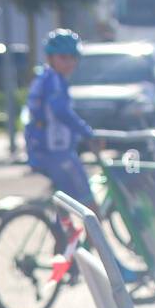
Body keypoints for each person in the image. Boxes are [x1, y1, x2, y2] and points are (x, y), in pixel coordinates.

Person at [24, 28, 95, 211]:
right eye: (63, 57)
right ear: (50, 58)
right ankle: (94, 239)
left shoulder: (46, 77)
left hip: (44, 149)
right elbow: (61, 112)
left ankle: (62, 236)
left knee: (65, 203)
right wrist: (87, 132)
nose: (69, 62)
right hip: (55, 152)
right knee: (89, 205)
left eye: (73, 57)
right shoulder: (54, 81)